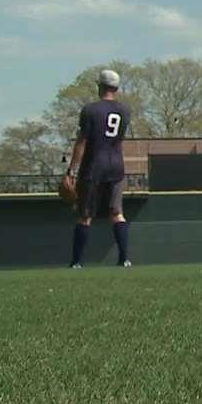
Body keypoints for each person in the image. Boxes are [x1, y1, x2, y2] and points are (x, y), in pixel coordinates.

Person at [65, 69, 132, 268]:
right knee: (117, 212)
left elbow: (82, 142)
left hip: (94, 165)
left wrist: (71, 170)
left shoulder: (90, 110)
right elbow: (119, 142)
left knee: (85, 215)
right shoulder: (124, 111)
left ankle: (77, 262)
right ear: (116, 88)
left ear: (100, 86)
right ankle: (124, 259)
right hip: (116, 165)